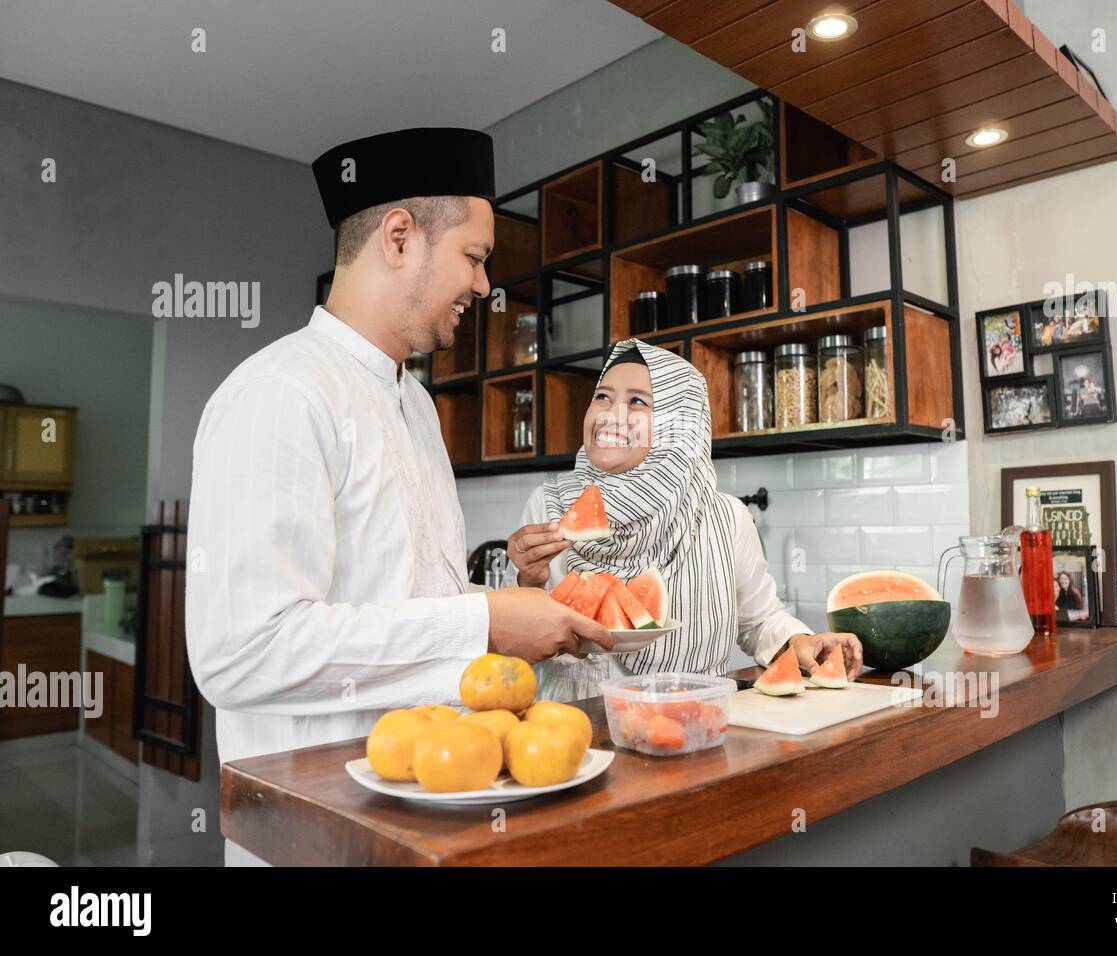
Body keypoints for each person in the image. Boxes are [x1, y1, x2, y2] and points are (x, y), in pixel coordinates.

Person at [186, 127, 611, 865]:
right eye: (474, 257)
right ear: (399, 237)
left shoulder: (414, 404)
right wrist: (481, 621)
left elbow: (407, 595)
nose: (483, 285)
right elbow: (240, 652)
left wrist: (518, 610)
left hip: (435, 814)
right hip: (320, 835)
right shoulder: (278, 393)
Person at [504, 340, 862, 702]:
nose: (609, 414)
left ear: (678, 423)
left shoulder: (726, 517)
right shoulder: (549, 505)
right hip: (571, 726)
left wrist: (802, 641)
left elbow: (760, 621)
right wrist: (526, 582)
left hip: (691, 716)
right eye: (602, 397)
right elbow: (514, 638)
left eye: (638, 401)